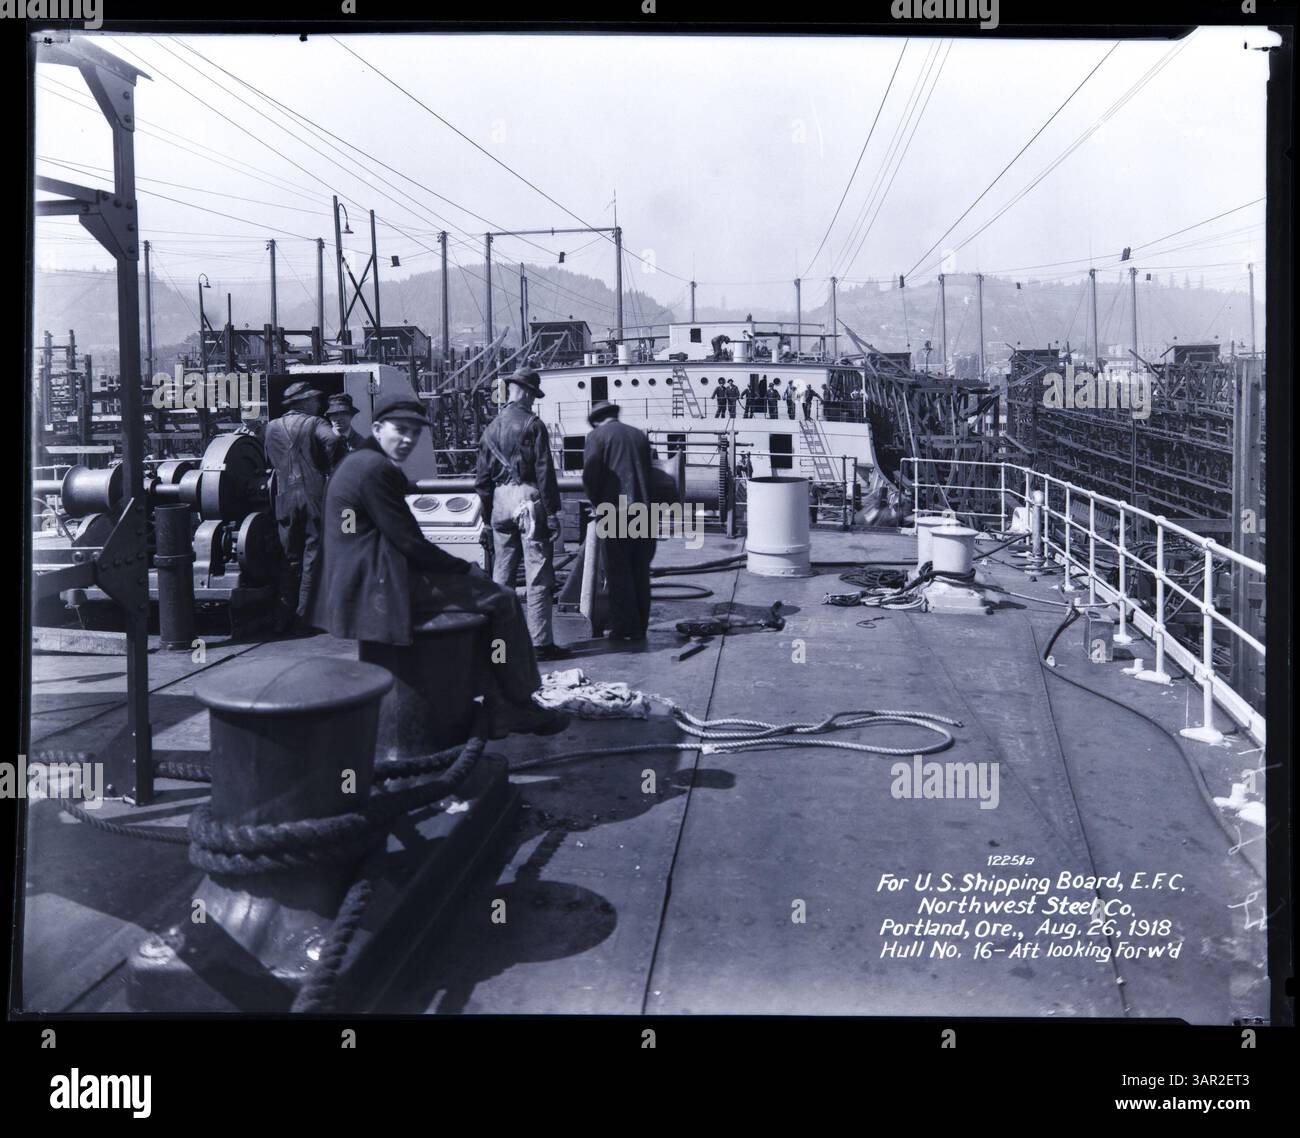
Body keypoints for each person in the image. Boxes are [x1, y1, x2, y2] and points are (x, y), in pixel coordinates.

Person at [309, 392, 567, 738]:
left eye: (414, 432)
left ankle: (494, 695)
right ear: (376, 428)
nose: (407, 439)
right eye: (400, 430)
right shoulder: (375, 469)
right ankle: (514, 703)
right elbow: (411, 543)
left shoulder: (360, 462)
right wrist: (464, 569)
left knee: (484, 598)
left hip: (361, 578)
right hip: (379, 582)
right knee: (502, 600)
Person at [473, 367, 569, 662]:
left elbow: (482, 482)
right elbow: (544, 474)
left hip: (499, 503)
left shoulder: (490, 428)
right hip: (527, 501)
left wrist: (488, 520)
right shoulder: (533, 424)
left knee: (501, 575)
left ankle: (498, 644)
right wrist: (552, 513)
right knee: (538, 573)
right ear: (527, 392)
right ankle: (540, 643)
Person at [264, 381, 345, 632]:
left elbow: (268, 458)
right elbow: (333, 441)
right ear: (304, 402)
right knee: (312, 556)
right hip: (313, 497)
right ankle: (304, 618)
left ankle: (281, 618)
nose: (319, 404)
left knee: (288, 558)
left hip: (284, 500)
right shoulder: (316, 423)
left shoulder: (271, 427)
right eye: (315, 400)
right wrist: (332, 467)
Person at [582, 400, 655, 642]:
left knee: (618, 571)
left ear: (595, 419)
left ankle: (625, 627)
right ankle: (641, 626)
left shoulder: (597, 436)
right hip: (644, 511)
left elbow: (591, 476)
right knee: (640, 571)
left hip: (615, 511)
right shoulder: (639, 436)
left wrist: (596, 502)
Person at [325, 392, 367, 459]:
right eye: (334, 414)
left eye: (343, 414)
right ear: (329, 417)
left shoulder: (361, 443)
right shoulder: (321, 442)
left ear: (351, 415)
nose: (338, 418)